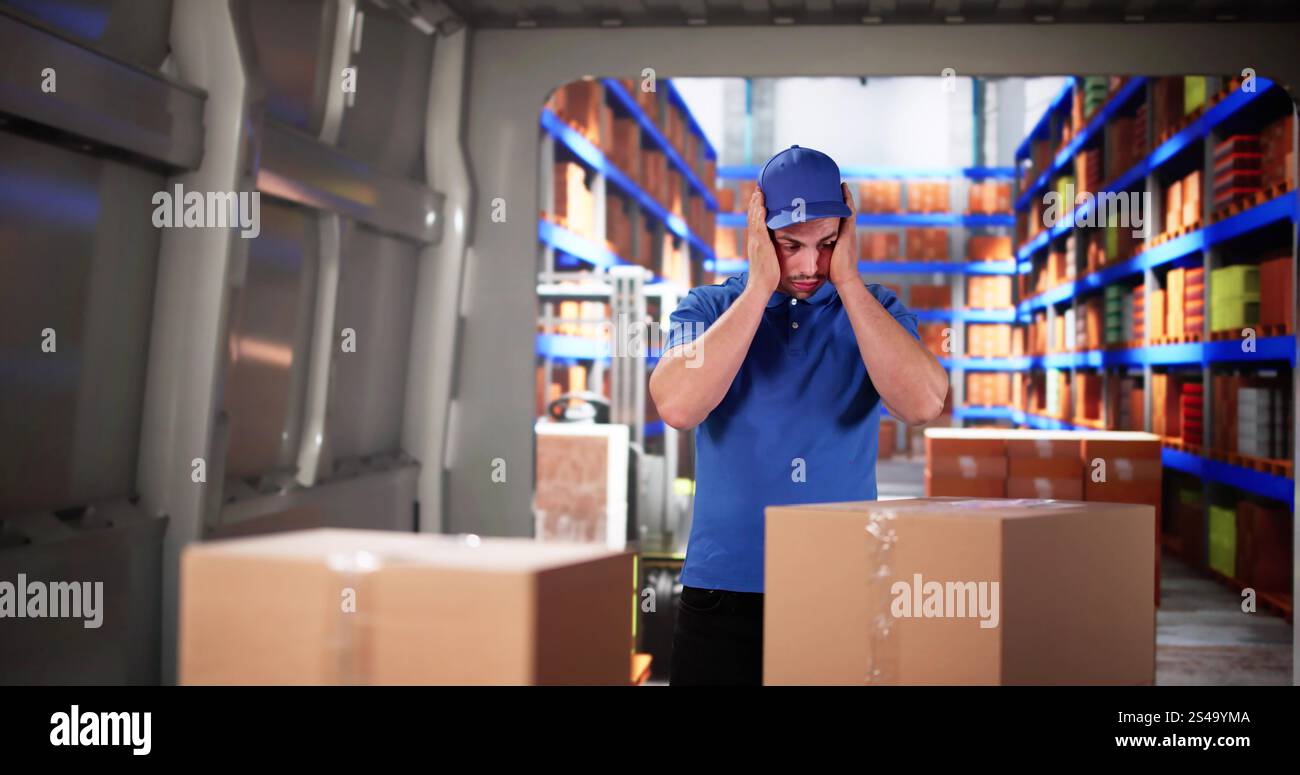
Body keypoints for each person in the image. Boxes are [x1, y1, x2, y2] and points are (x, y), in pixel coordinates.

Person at [649, 145, 949, 685]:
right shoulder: (708, 308)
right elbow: (677, 404)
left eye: (828, 244)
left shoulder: (875, 309)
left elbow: (923, 403)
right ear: (759, 231)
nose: (812, 266)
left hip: (838, 591)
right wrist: (760, 286)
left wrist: (851, 284)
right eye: (790, 245)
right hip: (723, 593)